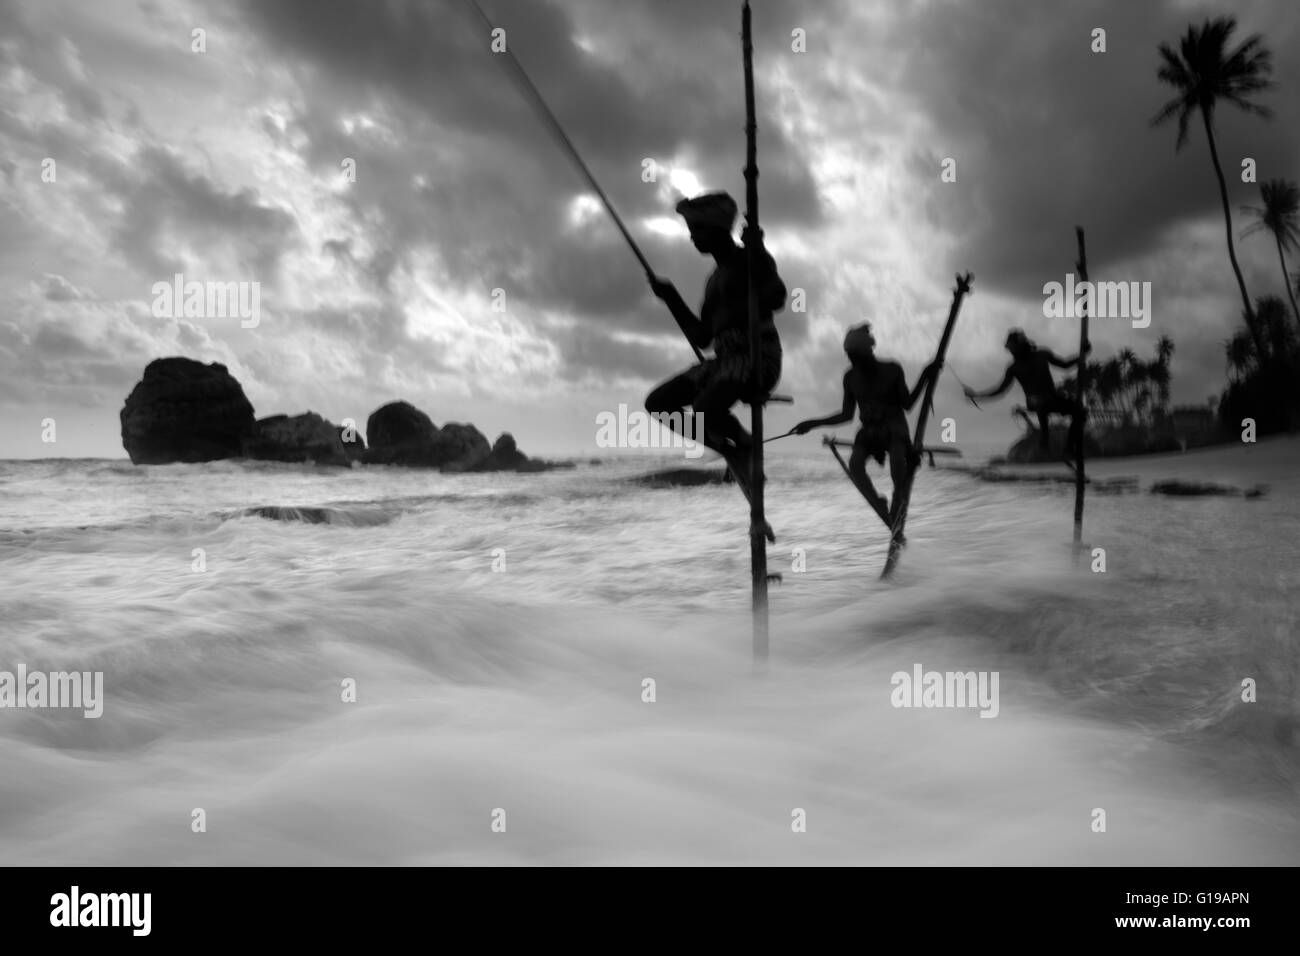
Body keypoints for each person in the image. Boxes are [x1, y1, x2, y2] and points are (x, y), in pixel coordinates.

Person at [644, 192, 786, 533]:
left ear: (719, 229)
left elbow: (778, 297)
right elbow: (702, 337)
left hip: (757, 357)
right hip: (723, 361)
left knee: (705, 408)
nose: (692, 237)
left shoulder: (749, 260)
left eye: (697, 230)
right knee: (658, 404)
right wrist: (672, 298)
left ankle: (741, 442)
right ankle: (731, 447)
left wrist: (758, 252)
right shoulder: (712, 281)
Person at [792, 323, 938, 528]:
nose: (852, 361)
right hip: (868, 433)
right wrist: (812, 423)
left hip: (895, 429)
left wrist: (925, 375)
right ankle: (879, 504)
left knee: (898, 463)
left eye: (855, 356)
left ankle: (897, 506)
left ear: (867, 352)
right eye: (850, 357)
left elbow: (907, 404)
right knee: (855, 466)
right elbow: (846, 414)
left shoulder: (892, 369)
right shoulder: (850, 377)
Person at [963, 329, 1090, 460]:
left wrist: (1082, 355)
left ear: (1022, 345)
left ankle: (1069, 448)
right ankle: (1044, 440)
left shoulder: (1042, 354)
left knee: (1080, 412)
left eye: (1013, 348)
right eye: (1010, 349)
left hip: (1052, 399)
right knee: (1041, 403)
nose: (1012, 352)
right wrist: (977, 395)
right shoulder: (1014, 367)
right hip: (1036, 403)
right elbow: (1000, 390)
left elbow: (1065, 365)